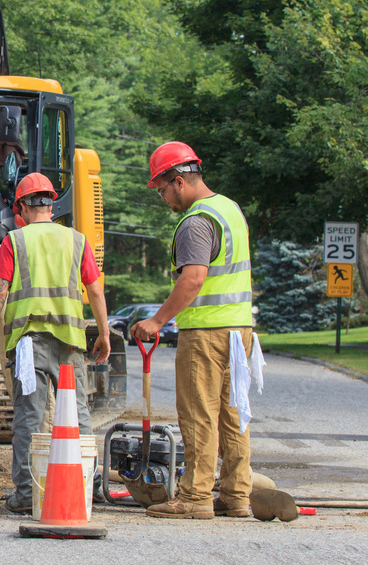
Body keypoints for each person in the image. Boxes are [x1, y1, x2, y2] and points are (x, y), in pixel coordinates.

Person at [131, 141, 253, 520]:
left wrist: (155, 321)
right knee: (233, 416)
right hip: (239, 330)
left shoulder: (196, 221)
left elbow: (193, 279)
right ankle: (236, 496)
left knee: (199, 413)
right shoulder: (229, 209)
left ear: (179, 180)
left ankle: (196, 497)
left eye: (163, 190)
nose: (164, 199)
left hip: (206, 333)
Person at [0, 172, 110, 513]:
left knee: (30, 418)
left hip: (28, 344)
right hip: (69, 341)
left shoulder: (15, 241)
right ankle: (88, 486)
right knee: (77, 414)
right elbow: (95, 289)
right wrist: (105, 333)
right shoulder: (76, 240)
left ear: (21, 206)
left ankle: (25, 494)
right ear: (51, 204)